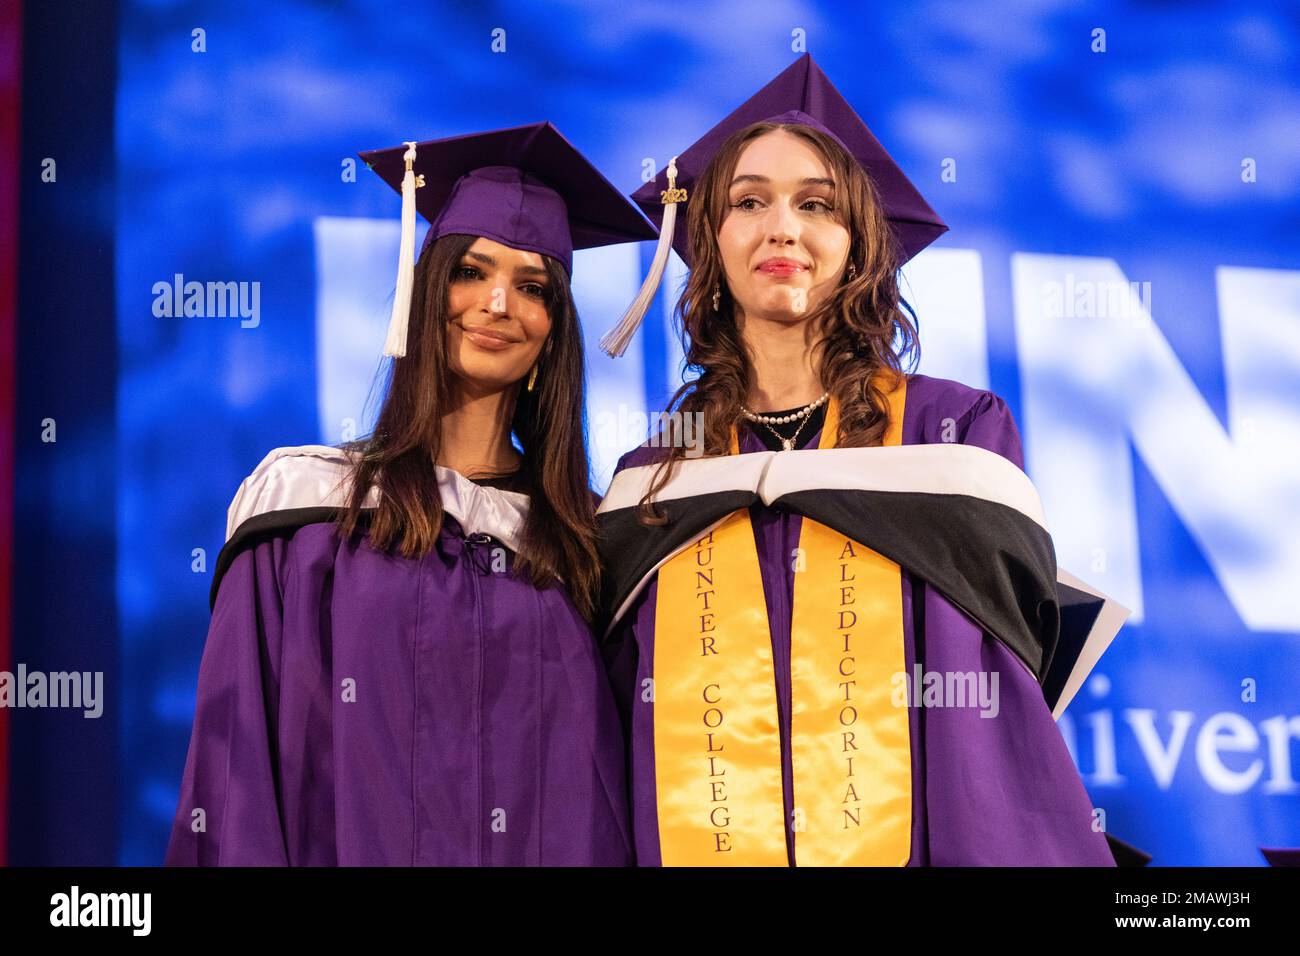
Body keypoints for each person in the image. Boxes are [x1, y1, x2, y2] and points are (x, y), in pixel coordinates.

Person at [596, 55, 1128, 866]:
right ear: (709, 238)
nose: (783, 228)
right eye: (748, 202)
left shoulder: (949, 434)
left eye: (817, 204)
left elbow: (982, 719)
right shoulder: (658, 474)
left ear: (858, 243)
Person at [165, 122, 656, 865]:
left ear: (552, 334)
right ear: (426, 298)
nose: (498, 303)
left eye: (532, 288)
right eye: (471, 272)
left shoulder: (594, 540)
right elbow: (239, 772)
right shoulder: (306, 514)